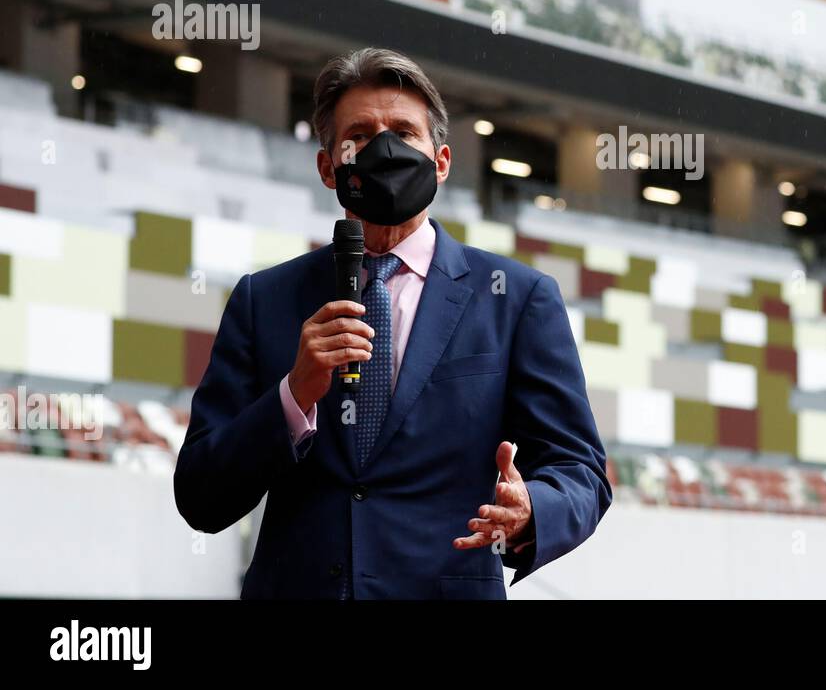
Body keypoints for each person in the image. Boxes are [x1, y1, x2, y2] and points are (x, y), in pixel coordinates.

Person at [174, 47, 611, 599]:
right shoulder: (265, 300)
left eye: (404, 133)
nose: (384, 149)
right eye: (361, 134)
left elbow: (580, 471)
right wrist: (292, 396)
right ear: (329, 165)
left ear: (442, 161)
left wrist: (532, 513)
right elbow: (200, 496)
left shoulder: (517, 299)